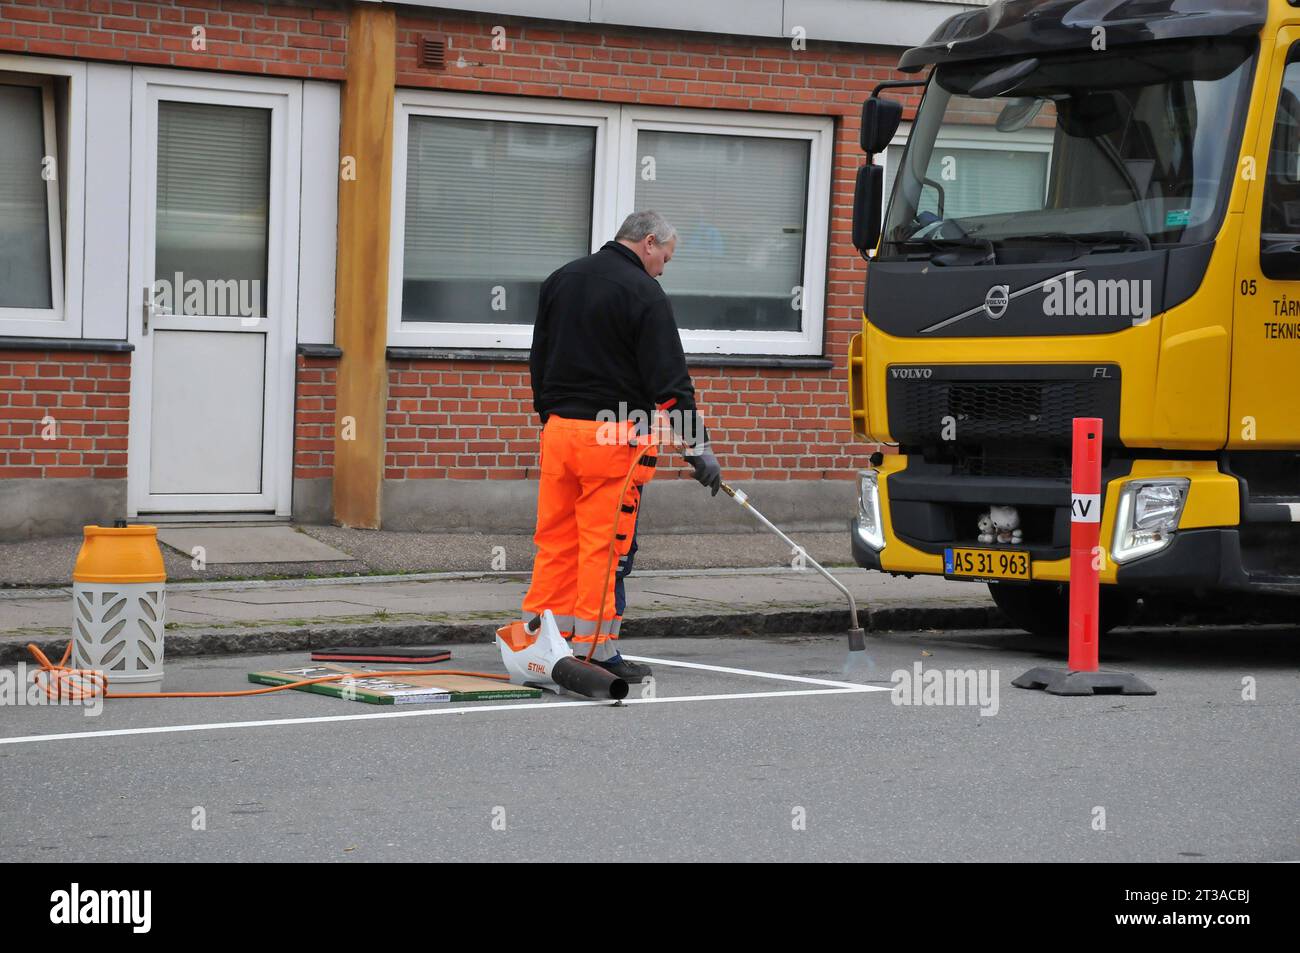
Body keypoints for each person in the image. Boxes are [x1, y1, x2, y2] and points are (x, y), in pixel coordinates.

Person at [523, 210, 723, 683]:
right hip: (612, 438)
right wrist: (697, 448)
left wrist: (549, 415)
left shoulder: (561, 279)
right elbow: (670, 382)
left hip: (559, 433)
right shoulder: (643, 294)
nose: (663, 269)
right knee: (602, 547)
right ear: (648, 242)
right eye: (664, 259)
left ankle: (541, 642)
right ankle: (595, 652)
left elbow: (539, 357)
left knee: (554, 541)